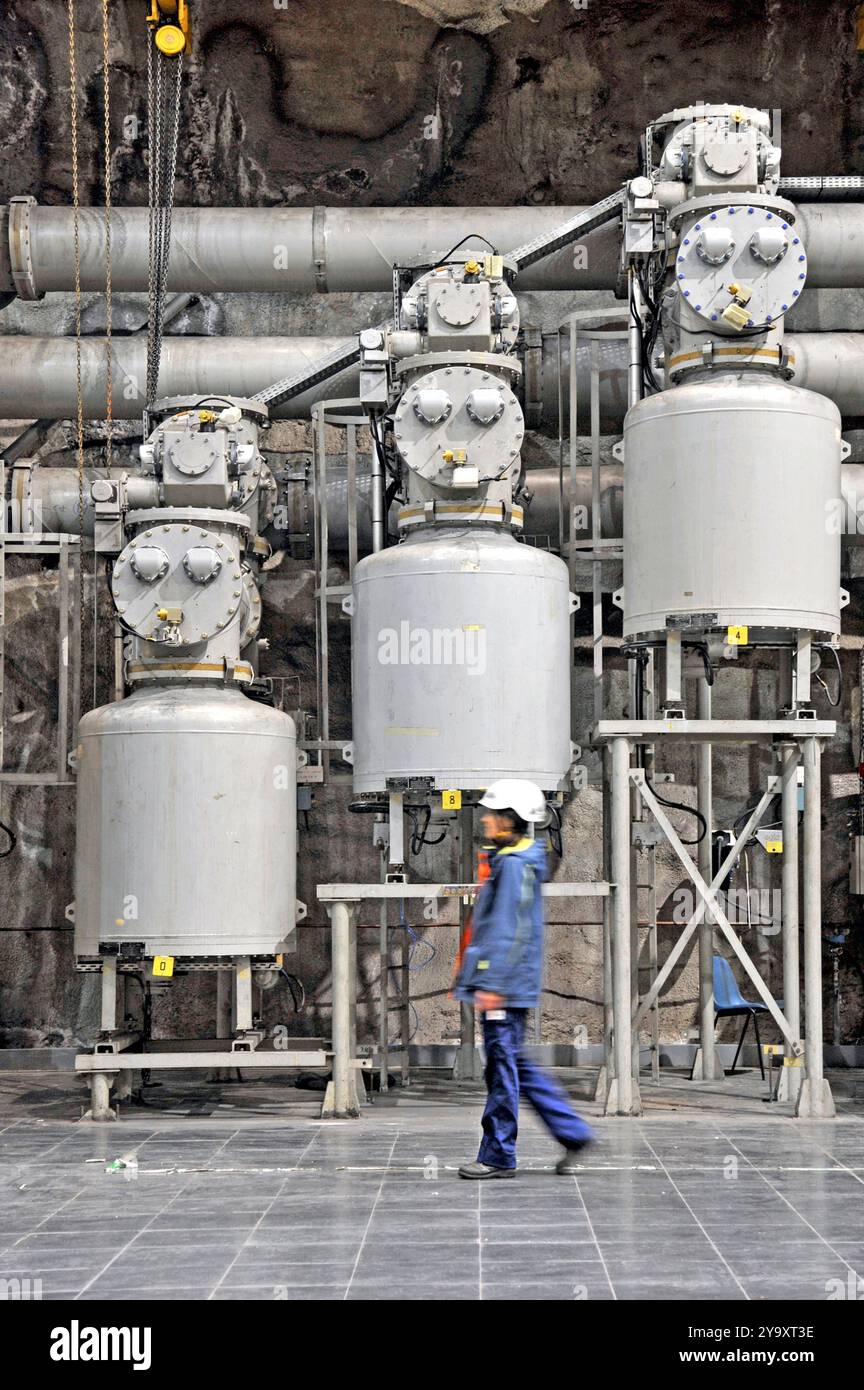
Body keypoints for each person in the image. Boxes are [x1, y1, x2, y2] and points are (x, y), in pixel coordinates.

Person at [453, 779, 593, 1179]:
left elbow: (508, 932)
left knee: (501, 1069)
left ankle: (497, 1154)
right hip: (506, 983)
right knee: (515, 1064)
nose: (485, 818)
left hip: (503, 986)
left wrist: (493, 984)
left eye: (494, 813)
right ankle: (572, 1132)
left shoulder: (514, 865)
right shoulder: (510, 859)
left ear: (512, 820)